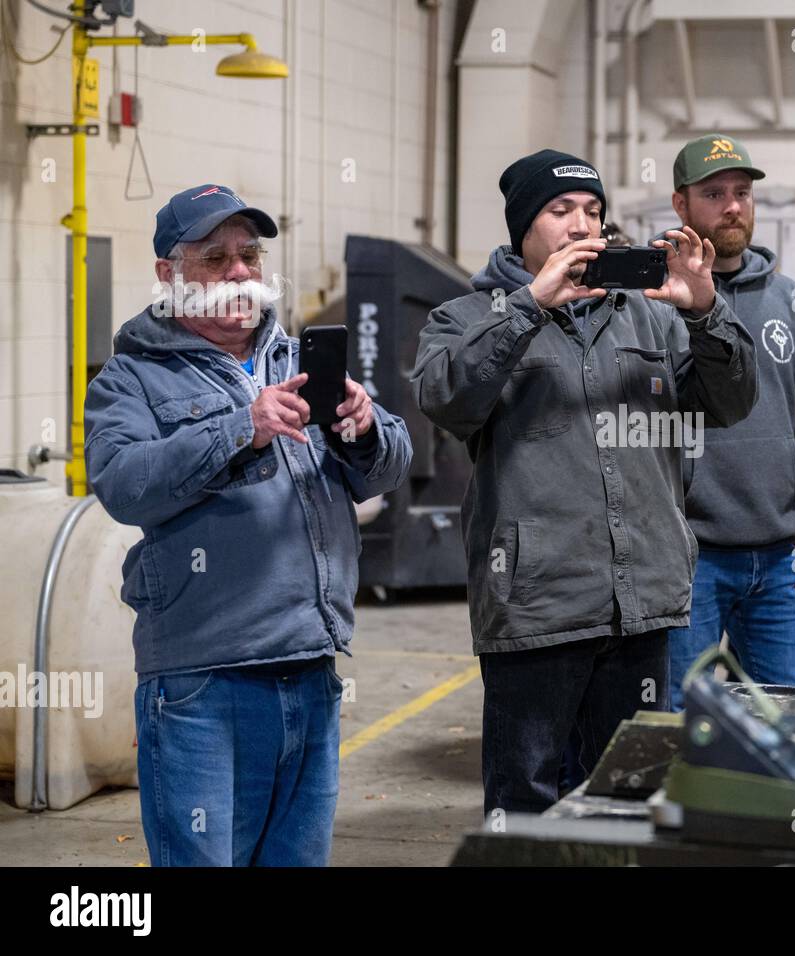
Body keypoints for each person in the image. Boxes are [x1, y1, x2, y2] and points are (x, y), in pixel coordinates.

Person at [411, 149, 756, 814]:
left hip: (641, 603)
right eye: (560, 210)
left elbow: (731, 403)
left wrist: (707, 313)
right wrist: (530, 306)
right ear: (524, 228)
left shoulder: (648, 311)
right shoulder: (468, 315)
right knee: (525, 799)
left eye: (593, 212)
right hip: (539, 605)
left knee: (630, 797)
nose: (581, 225)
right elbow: (446, 396)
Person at [84, 184, 413, 865]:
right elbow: (124, 486)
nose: (239, 271)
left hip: (310, 666)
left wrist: (362, 428)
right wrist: (244, 427)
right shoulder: (131, 379)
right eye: (215, 257)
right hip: (203, 681)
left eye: (249, 255)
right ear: (168, 275)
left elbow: (387, 469)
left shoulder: (299, 361)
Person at [664, 134, 795, 708]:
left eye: (742, 192)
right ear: (681, 205)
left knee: (791, 719)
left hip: (779, 557)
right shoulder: (656, 300)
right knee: (675, 725)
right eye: (714, 193)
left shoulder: (790, 303)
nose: (733, 206)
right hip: (689, 558)